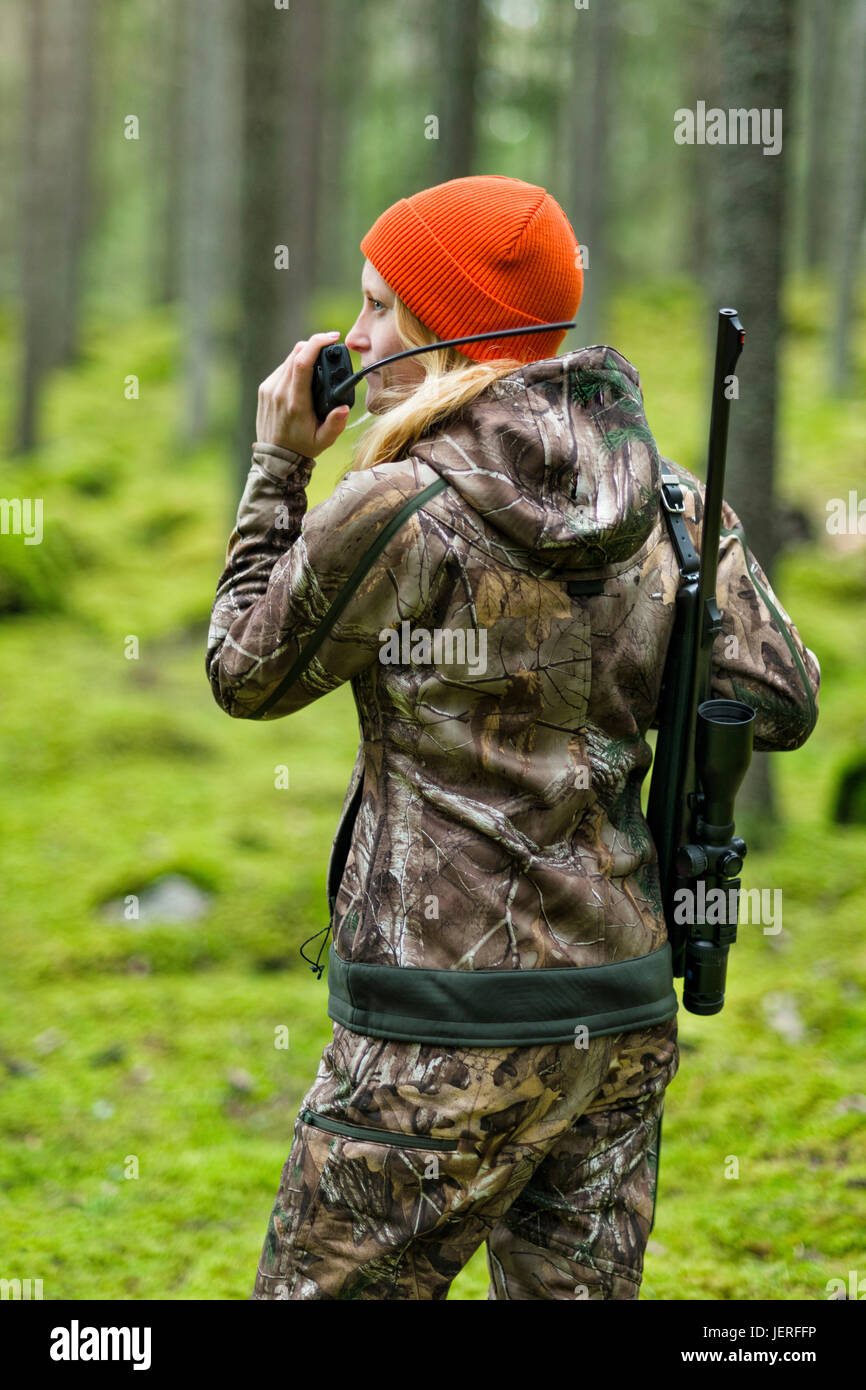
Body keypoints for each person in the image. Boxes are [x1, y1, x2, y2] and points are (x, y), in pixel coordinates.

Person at [206, 175, 820, 1300]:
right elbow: (778, 698)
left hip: (435, 1033)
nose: (354, 335)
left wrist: (278, 467)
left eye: (382, 306)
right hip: (619, 1022)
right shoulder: (676, 505)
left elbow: (244, 674)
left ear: (452, 333)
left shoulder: (393, 505)